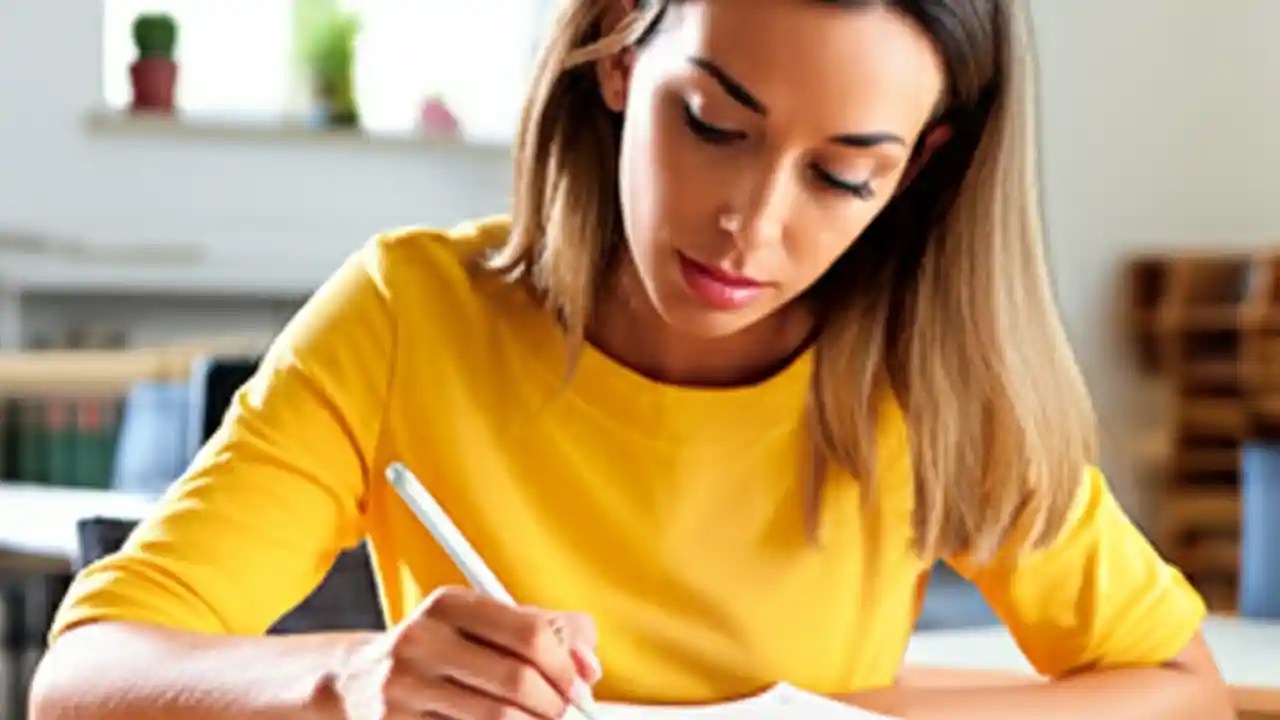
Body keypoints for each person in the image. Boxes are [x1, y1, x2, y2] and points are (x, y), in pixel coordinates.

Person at [31, 1, 1235, 718]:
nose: (749, 228)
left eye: (839, 175)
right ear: (617, 49)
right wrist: (350, 677)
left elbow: (1177, 689)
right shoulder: (409, 314)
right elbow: (81, 678)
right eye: (713, 124)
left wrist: (860, 716)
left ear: (913, 170)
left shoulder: (925, 373)